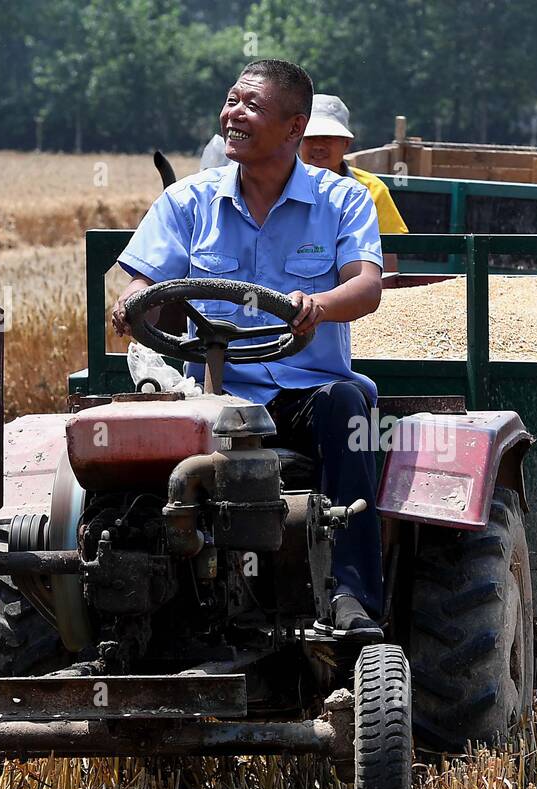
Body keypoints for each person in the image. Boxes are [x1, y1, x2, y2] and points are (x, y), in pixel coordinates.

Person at [111, 59, 385, 642]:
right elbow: (141, 280)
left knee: (350, 405)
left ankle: (350, 594)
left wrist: (320, 306)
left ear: (294, 128)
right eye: (230, 101)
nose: (232, 115)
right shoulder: (189, 202)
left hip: (302, 396)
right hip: (209, 396)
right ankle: (123, 596)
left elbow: (365, 286)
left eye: (250, 106)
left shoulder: (342, 200)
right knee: (118, 446)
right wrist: (131, 300)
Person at [299, 94, 407, 273]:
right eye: (311, 137)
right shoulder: (278, 184)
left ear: (346, 144)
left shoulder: (372, 189)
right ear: (297, 140)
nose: (318, 145)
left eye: (328, 137)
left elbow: (387, 253)